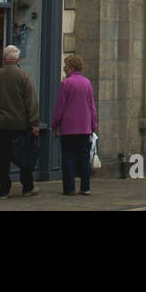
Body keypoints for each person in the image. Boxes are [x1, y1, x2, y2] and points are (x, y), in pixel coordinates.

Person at [0, 44, 40, 199]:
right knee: (24, 157)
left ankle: (4, 189)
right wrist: (34, 123)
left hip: (3, 124)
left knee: (3, 159)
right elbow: (31, 102)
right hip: (21, 124)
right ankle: (27, 187)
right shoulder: (23, 76)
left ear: (3, 58)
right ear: (17, 59)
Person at [51, 52, 97, 196]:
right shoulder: (87, 83)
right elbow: (92, 107)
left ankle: (69, 188)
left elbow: (59, 107)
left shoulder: (66, 83)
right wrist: (93, 125)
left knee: (68, 157)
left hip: (68, 127)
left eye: (66, 65)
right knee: (83, 157)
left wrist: (54, 124)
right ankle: (85, 187)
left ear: (71, 67)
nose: (64, 68)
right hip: (84, 127)